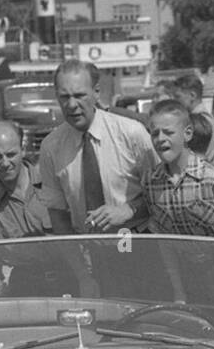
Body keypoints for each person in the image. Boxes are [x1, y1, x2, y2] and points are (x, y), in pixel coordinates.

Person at [39, 60, 154, 236]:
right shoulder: (51, 148)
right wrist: (75, 260)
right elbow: (57, 212)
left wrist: (129, 210)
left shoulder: (131, 134)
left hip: (132, 241)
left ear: (97, 93)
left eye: (79, 95)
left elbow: (162, 194)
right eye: (64, 97)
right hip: (85, 248)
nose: (71, 105)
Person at [0, 120, 60, 296]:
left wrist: (86, 277)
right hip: (23, 290)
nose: (6, 163)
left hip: (68, 281)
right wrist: (4, 293)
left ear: (22, 149)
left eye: (11, 154)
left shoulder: (54, 183)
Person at [140, 101, 214, 238]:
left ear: (187, 134)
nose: (160, 139)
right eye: (154, 134)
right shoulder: (150, 182)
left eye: (168, 132)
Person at [162, 73, 214, 166]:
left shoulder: (199, 121)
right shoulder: (201, 117)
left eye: (177, 97)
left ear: (192, 95)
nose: (174, 101)